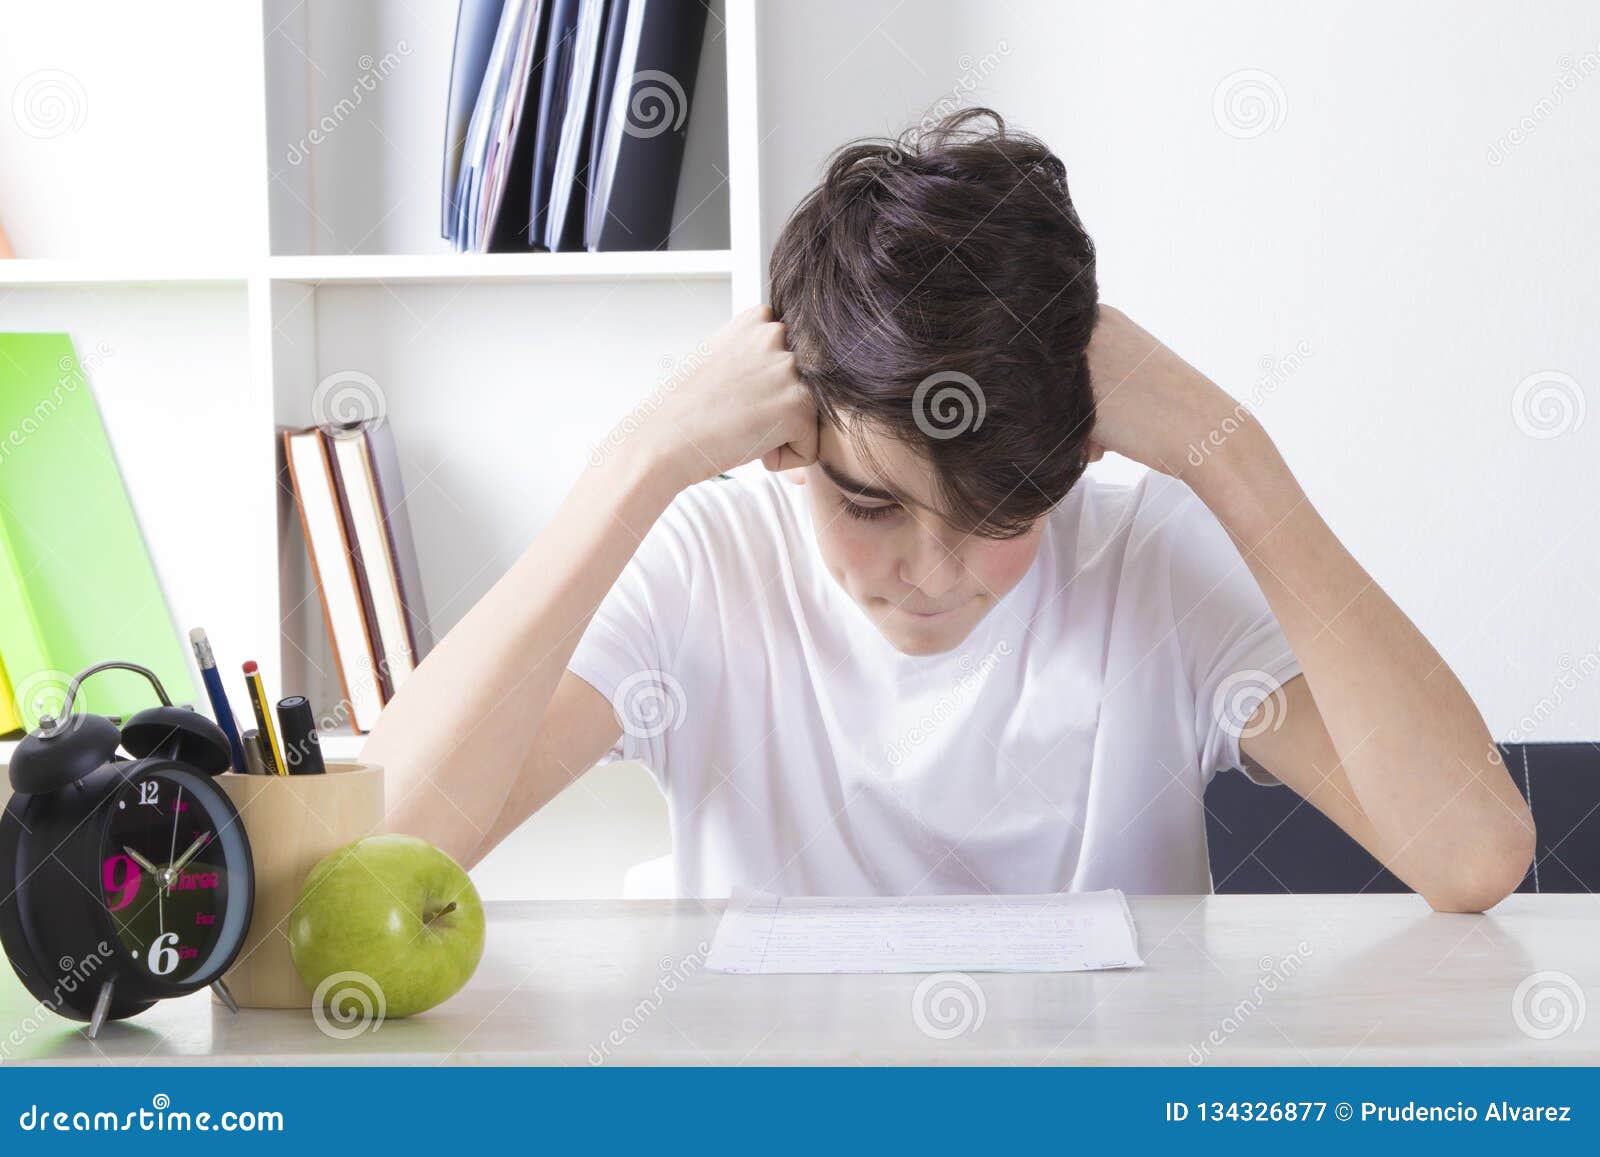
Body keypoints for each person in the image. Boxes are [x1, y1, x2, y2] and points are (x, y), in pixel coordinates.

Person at [365, 108, 1533, 910]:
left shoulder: (1148, 563)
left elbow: (1471, 855)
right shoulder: (703, 563)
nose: (931, 571)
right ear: (787, 440)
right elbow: (377, 854)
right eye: (869, 505)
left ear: (1072, 457)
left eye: (996, 518)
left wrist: (1233, 456)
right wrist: (634, 465)